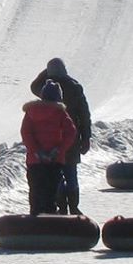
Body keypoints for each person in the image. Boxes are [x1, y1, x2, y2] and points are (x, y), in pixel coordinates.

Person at [30, 58, 91, 214]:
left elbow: (33, 86)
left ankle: (61, 206)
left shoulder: (46, 89)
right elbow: (84, 114)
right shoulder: (75, 87)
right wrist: (86, 137)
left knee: (56, 175)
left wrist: (46, 72)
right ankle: (74, 206)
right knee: (71, 173)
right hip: (71, 140)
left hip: (51, 144)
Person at [20, 79, 79, 216]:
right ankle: (50, 218)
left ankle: (35, 217)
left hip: (34, 161)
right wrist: (60, 149)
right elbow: (71, 132)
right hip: (54, 159)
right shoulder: (60, 112)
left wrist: (35, 151)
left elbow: (26, 133)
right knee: (51, 192)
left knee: (35, 190)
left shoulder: (31, 112)